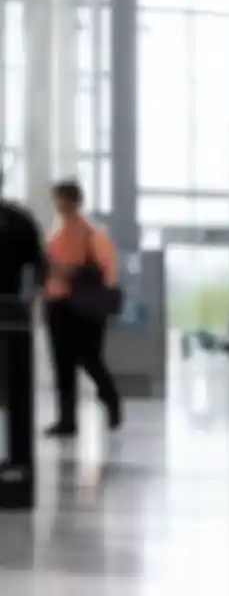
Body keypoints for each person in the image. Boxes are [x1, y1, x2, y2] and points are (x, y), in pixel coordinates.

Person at [43, 180, 122, 438]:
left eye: (64, 199)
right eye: (57, 199)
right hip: (57, 304)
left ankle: (110, 399)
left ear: (76, 201)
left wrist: (72, 273)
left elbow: (105, 271)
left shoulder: (92, 233)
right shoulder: (55, 233)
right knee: (62, 364)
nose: (59, 204)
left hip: (84, 307)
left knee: (90, 359)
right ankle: (67, 420)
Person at [0, 170, 45, 479]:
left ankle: (19, 459)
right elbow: (39, 266)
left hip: (10, 315)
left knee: (15, 390)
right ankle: (18, 459)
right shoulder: (19, 218)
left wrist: (27, 300)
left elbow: (38, 266)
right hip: (12, 313)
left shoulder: (17, 220)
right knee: (15, 390)